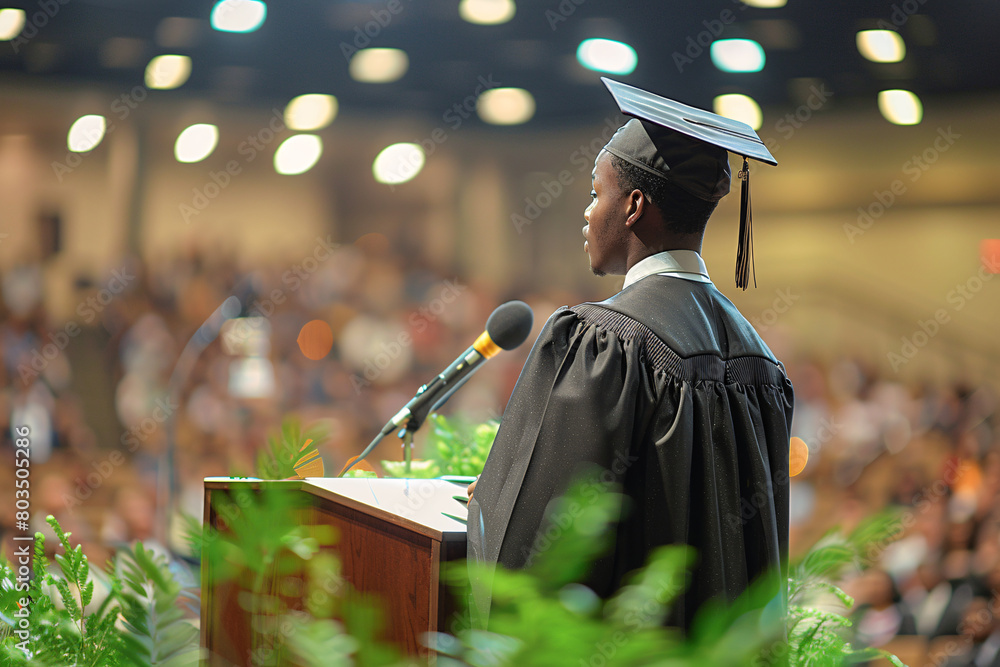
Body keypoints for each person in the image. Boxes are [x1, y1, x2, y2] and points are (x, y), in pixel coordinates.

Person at [466, 78, 795, 630]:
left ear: (635, 205)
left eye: (597, 193)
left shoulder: (603, 341)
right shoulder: (762, 366)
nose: (588, 213)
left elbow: (543, 538)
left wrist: (490, 495)